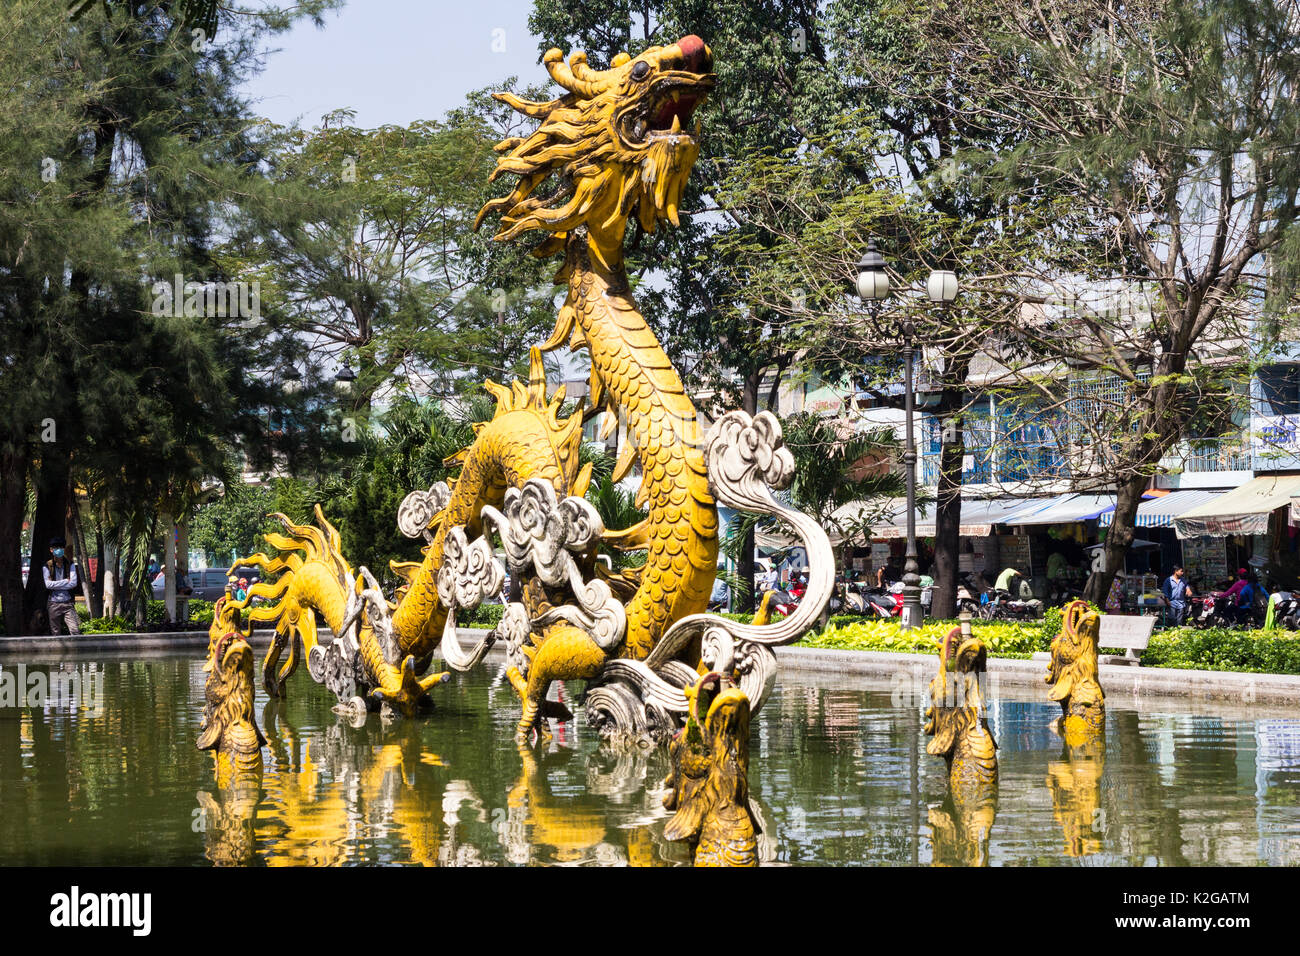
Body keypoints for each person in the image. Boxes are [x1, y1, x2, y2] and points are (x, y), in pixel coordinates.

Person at [43, 536, 80, 636]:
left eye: (61, 548)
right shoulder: (47, 566)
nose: (59, 550)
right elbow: (48, 585)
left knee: (75, 630)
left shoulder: (70, 564)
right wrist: (65, 581)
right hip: (53, 603)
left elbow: (73, 583)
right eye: (56, 548)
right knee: (55, 633)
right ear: (51, 550)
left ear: (64, 549)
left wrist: (55, 585)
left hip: (68, 603)